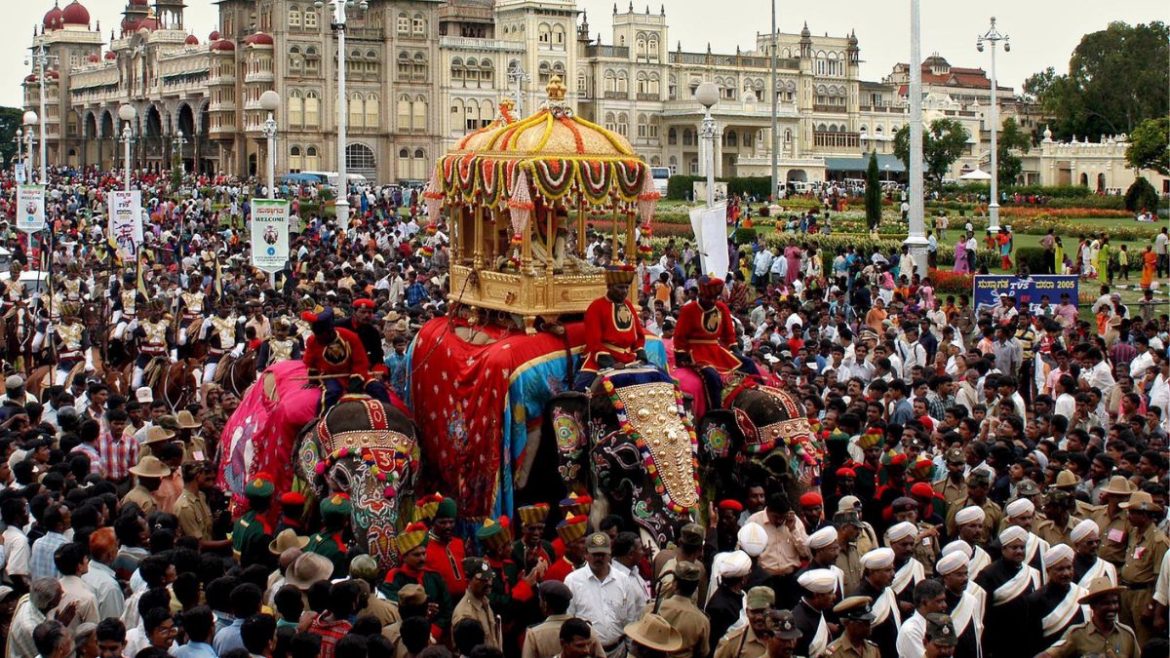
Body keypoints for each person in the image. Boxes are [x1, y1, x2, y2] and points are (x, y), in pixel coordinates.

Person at [673, 276, 760, 409]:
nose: (712, 301)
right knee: (712, 376)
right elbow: (679, 337)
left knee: (748, 363)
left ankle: (762, 391)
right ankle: (716, 410)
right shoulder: (688, 310)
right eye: (709, 298)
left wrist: (735, 349)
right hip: (696, 353)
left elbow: (728, 335)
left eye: (715, 298)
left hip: (716, 350)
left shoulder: (721, 307)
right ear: (700, 295)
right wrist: (681, 355)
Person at [564, 533, 643, 658]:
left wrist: (631, 653)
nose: (599, 558)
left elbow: (631, 620)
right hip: (587, 653)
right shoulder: (572, 581)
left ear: (610, 554)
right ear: (586, 554)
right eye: (595, 554)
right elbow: (568, 620)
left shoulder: (623, 580)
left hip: (619, 651)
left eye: (602, 554)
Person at [574, 267, 649, 392]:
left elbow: (639, 336)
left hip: (630, 358)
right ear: (609, 286)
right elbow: (594, 341)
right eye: (620, 287)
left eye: (626, 288)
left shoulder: (628, 305)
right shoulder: (596, 306)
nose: (624, 291)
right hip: (602, 358)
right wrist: (610, 364)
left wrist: (641, 355)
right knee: (581, 390)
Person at [301, 306, 389, 409]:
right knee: (332, 393)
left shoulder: (350, 337)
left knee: (378, 389)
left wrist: (356, 380)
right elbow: (310, 362)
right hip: (331, 376)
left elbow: (361, 362)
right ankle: (321, 418)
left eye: (322, 335)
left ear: (330, 330)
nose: (319, 339)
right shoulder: (313, 341)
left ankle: (389, 415)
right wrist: (313, 379)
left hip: (355, 373)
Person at [1037, 576, 1139, 658]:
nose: (1112, 607)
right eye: (1106, 603)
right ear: (1092, 606)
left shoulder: (1127, 634)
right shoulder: (1077, 634)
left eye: (1115, 602)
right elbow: (1048, 655)